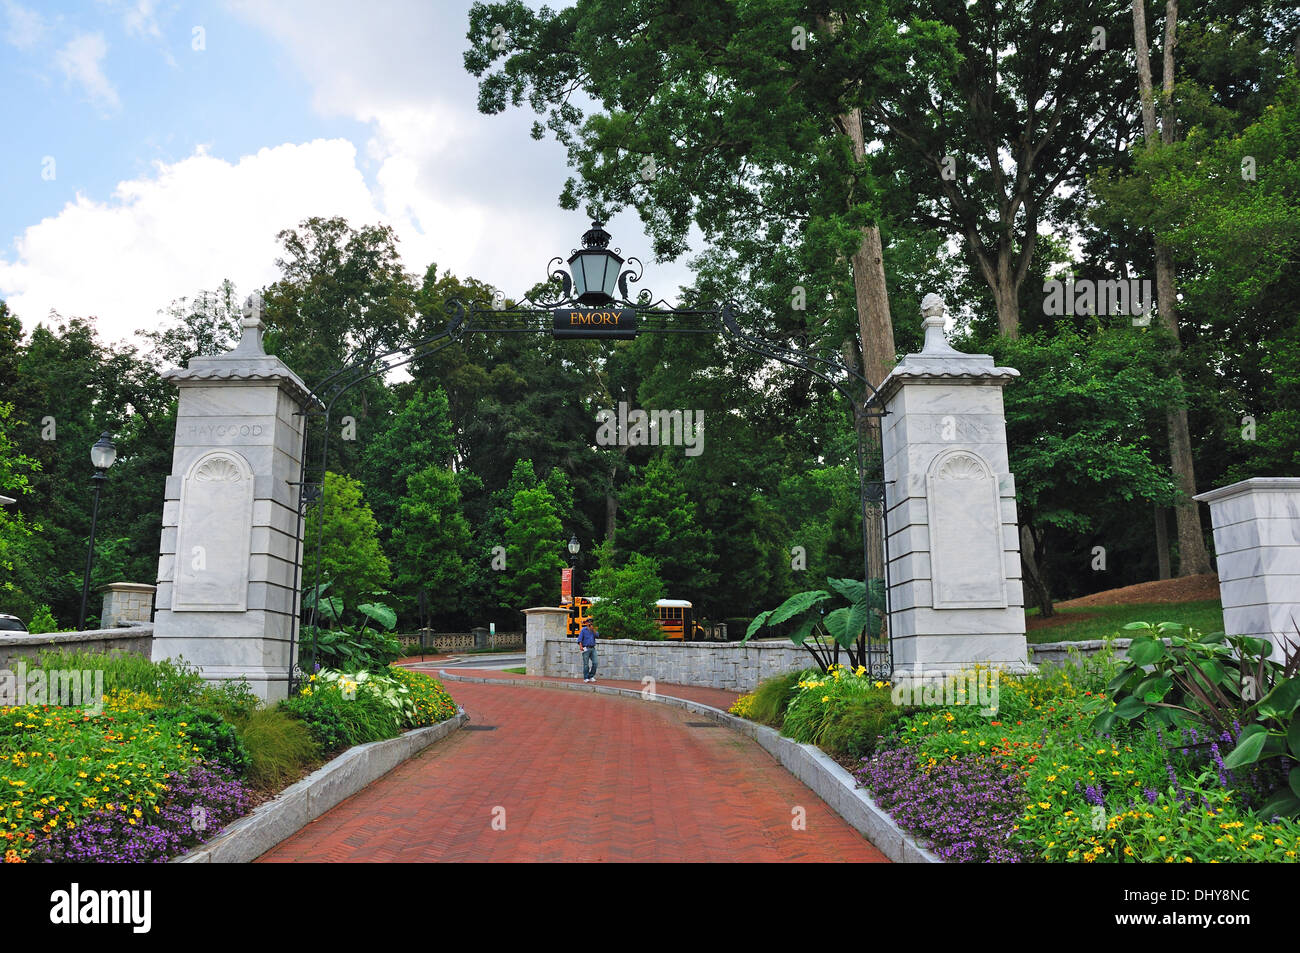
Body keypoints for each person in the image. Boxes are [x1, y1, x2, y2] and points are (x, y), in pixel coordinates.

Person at [578, 618, 598, 682]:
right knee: (586, 664)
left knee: (595, 663)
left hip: (592, 648)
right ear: (586, 623)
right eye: (589, 622)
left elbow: (597, 635)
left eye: (591, 622)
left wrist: (593, 630)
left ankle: (591, 676)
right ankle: (586, 677)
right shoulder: (583, 630)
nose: (590, 623)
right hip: (585, 648)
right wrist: (580, 646)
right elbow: (580, 639)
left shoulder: (593, 630)